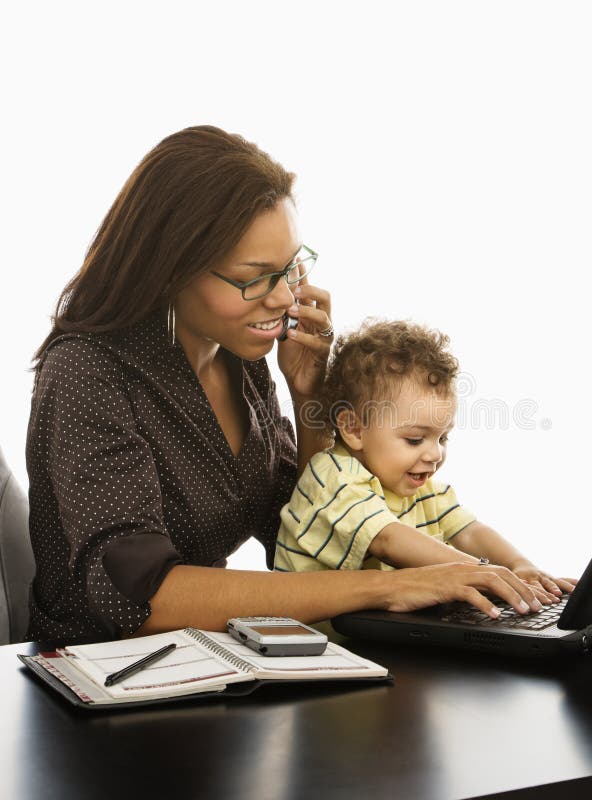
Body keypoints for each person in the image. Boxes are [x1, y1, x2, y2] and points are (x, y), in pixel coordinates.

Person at [26, 125, 540, 644]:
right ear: (171, 268)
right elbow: (140, 595)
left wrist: (308, 397)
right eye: (255, 277)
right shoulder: (87, 373)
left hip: (205, 669)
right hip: (101, 681)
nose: (283, 299)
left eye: (290, 269)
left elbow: (299, 535)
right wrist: (387, 588)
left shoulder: (240, 361)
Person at [275, 319, 576, 610]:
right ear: (354, 429)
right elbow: (387, 539)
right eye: (416, 440)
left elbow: (469, 531)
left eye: (443, 438)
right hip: (317, 647)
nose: (435, 454)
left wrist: (518, 566)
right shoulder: (331, 477)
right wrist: (485, 574)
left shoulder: (423, 489)